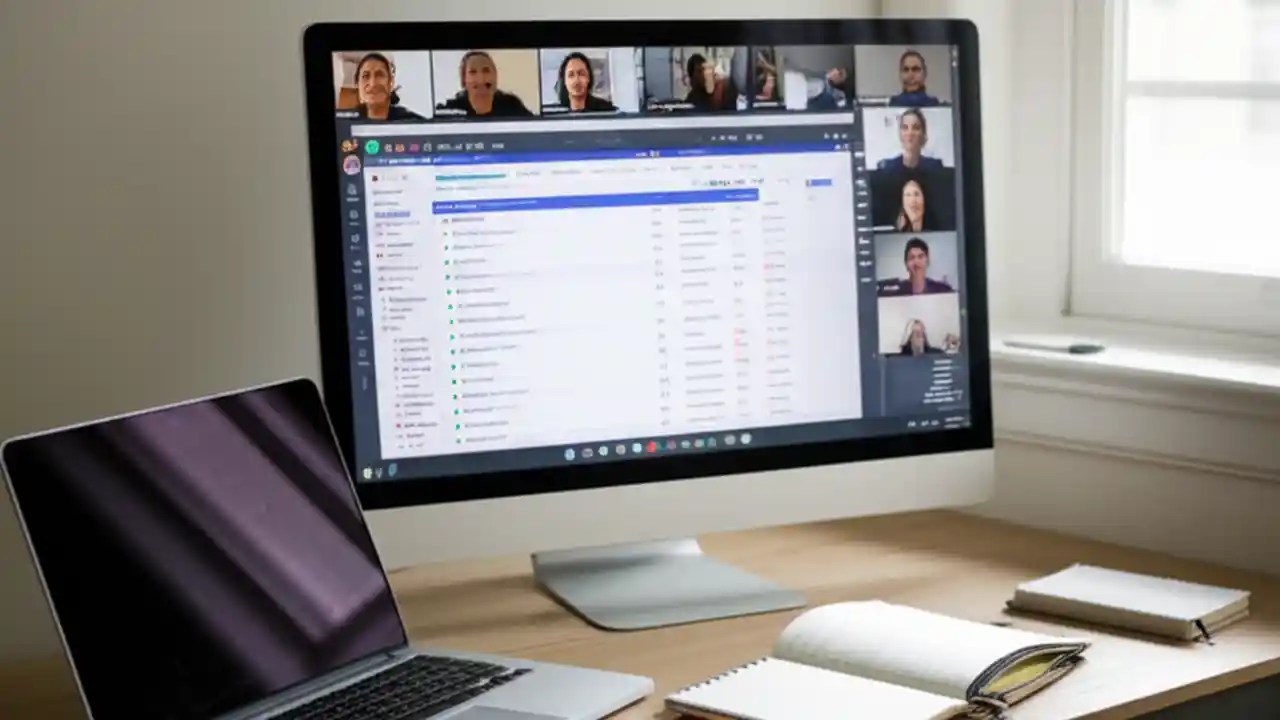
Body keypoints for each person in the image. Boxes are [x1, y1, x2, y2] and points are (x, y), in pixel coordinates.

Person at [437, 50, 534, 117]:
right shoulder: (451, 109)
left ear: (495, 76)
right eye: (473, 72)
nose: (481, 79)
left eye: (486, 70)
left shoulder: (512, 105)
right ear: (463, 80)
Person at [352, 52, 425, 121]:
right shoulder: (346, 123)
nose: (372, 83)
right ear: (357, 85)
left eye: (379, 75)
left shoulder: (412, 123)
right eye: (366, 76)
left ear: (391, 82)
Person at [878, 237, 954, 296]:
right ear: (906, 264)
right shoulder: (896, 292)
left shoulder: (942, 290)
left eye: (920, 257)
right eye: (912, 258)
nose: (916, 262)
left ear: (927, 261)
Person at [877, 109, 944, 170]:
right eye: (905, 128)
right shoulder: (887, 168)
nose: (910, 133)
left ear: (923, 134)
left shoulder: (935, 167)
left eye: (916, 128)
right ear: (900, 134)